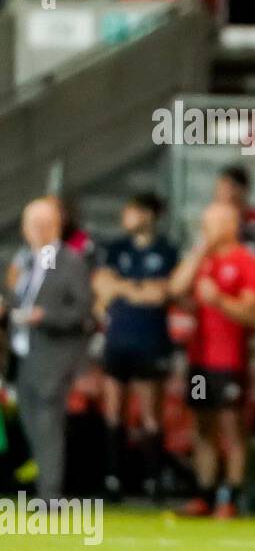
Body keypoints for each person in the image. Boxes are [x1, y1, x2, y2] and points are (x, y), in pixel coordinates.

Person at [169, 202, 255, 518]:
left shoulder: (247, 264)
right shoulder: (203, 261)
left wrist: (220, 301)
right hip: (200, 360)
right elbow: (175, 288)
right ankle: (205, 492)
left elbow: (252, 312)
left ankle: (232, 496)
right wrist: (198, 252)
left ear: (229, 225)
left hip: (230, 361)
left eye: (210, 223)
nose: (205, 229)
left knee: (232, 428)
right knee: (201, 426)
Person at [3, 197, 93, 500]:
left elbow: (82, 312)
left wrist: (47, 316)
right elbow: (19, 301)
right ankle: (46, 487)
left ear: (55, 225)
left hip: (54, 355)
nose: (36, 230)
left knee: (47, 423)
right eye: (32, 224)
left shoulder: (70, 261)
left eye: (43, 224)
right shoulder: (23, 261)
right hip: (24, 354)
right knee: (31, 422)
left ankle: (50, 496)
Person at [94, 194, 179, 498]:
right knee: (114, 410)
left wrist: (123, 288)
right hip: (117, 338)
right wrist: (138, 290)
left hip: (150, 340)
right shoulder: (116, 248)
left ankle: (152, 480)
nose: (126, 216)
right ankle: (114, 478)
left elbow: (161, 294)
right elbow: (102, 286)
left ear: (148, 214)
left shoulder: (166, 251)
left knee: (150, 414)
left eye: (132, 211)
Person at [213, 164, 255, 252]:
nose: (220, 194)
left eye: (226, 189)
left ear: (242, 190)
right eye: (219, 189)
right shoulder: (213, 219)